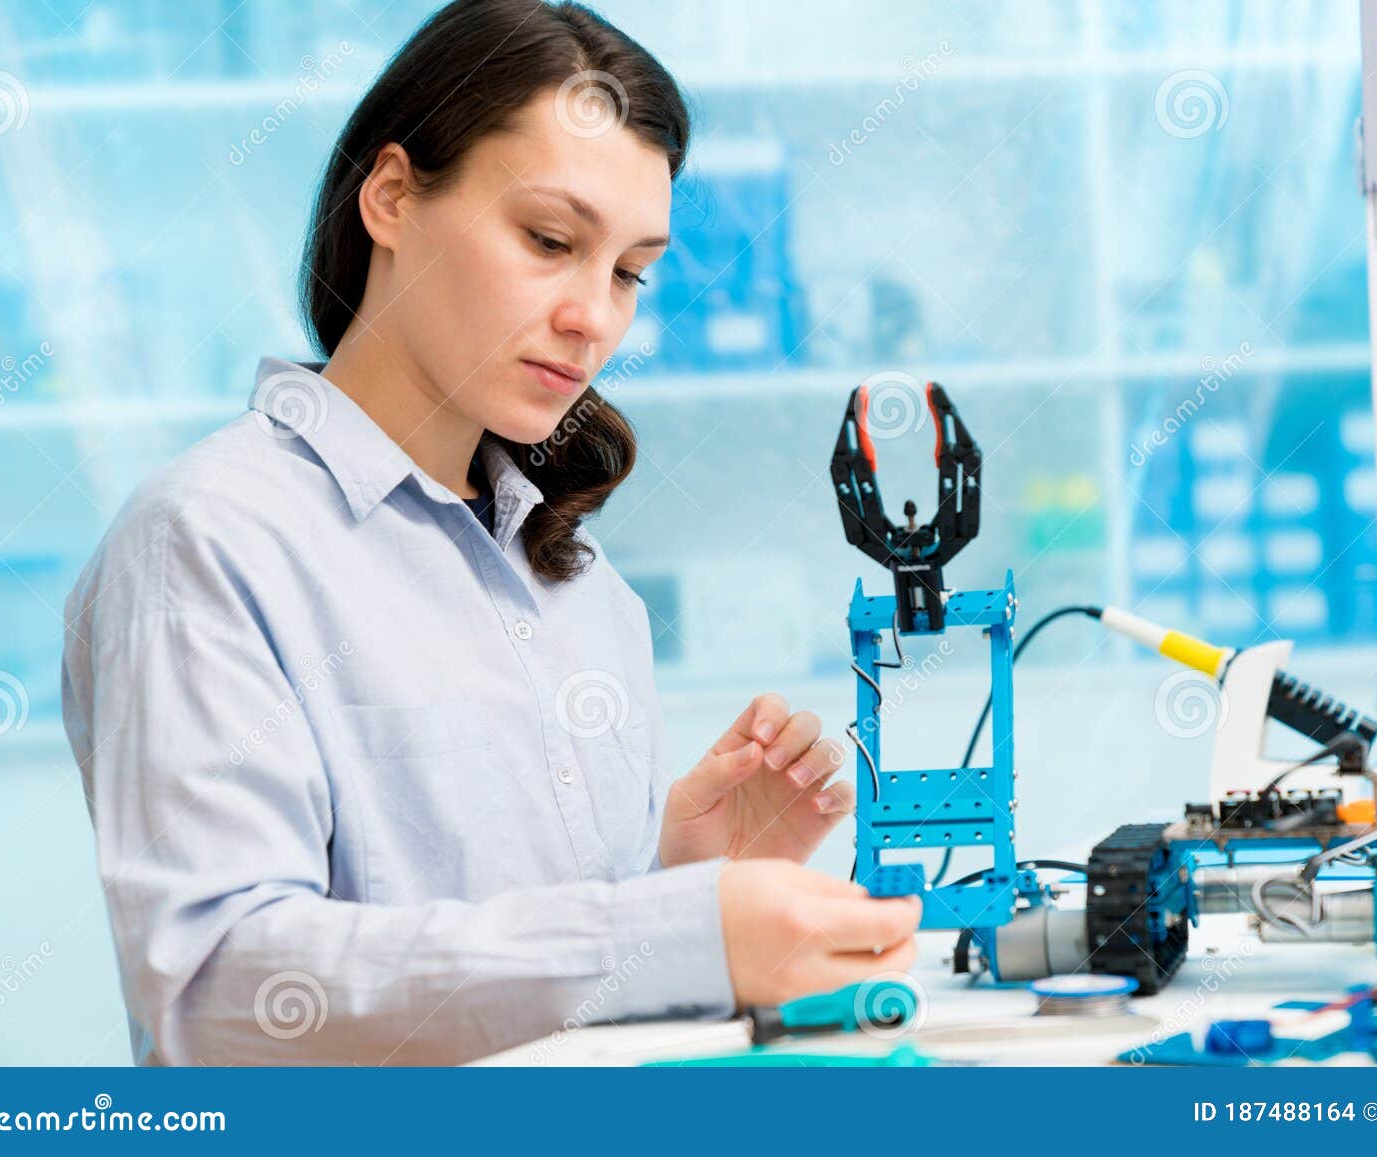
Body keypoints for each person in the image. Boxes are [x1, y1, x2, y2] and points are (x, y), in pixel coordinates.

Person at [60, 0, 921, 1065]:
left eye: (627, 271)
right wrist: (667, 936)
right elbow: (223, 988)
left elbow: (545, 986)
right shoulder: (205, 542)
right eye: (549, 240)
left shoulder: (580, 584)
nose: (593, 315)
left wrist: (677, 878)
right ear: (390, 197)